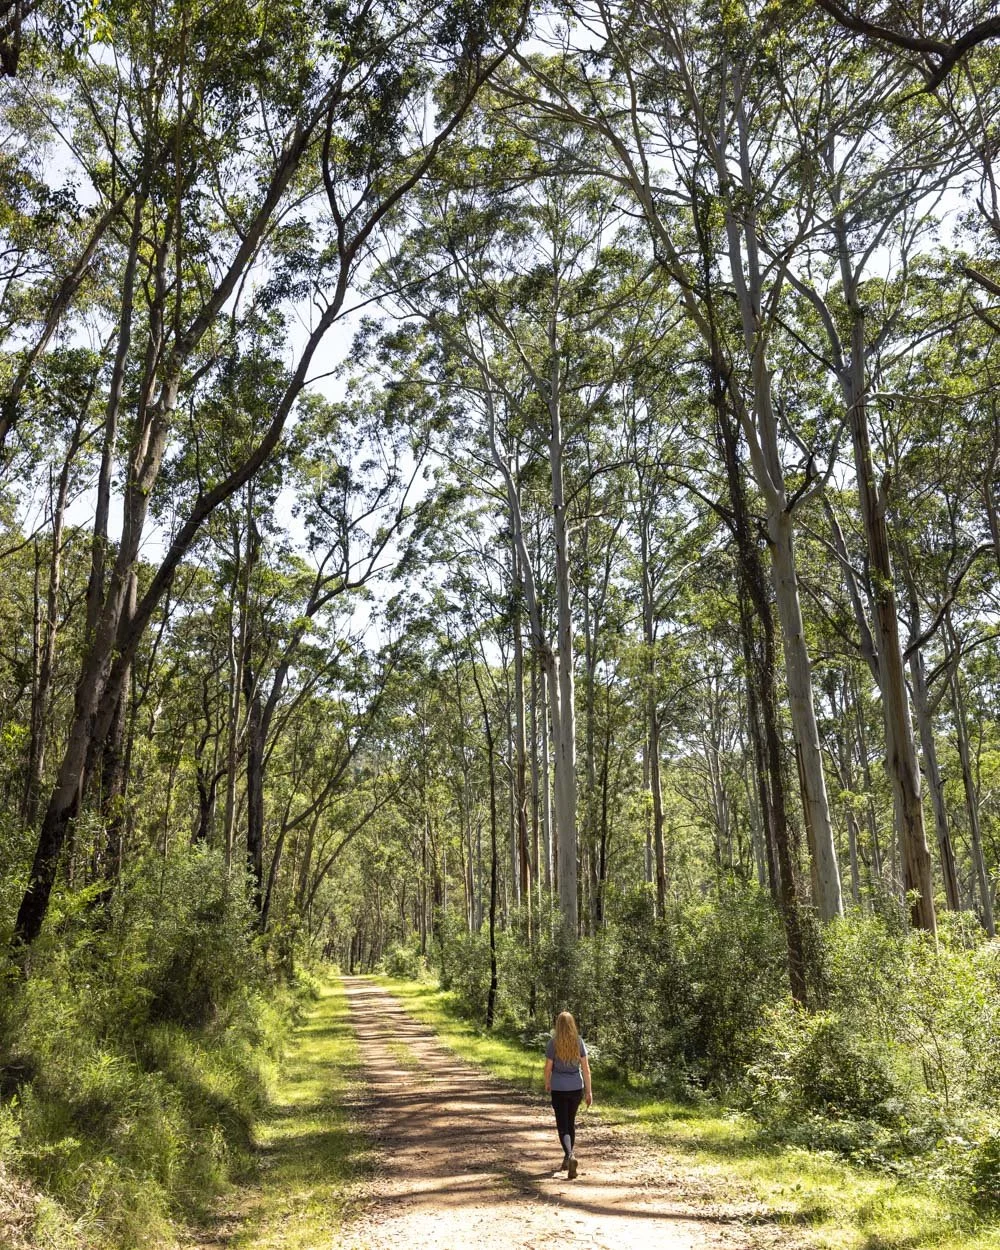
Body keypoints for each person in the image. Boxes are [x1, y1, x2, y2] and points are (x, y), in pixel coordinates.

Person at [543, 1010, 592, 1179]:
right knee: (570, 1123)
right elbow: (586, 1068)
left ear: (558, 1025)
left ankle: (570, 1155)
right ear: (572, 1024)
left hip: (559, 1089)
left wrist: (547, 1082)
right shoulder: (579, 1042)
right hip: (575, 1088)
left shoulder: (553, 1043)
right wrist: (588, 1091)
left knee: (562, 1125)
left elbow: (548, 1067)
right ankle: (568, 1158)